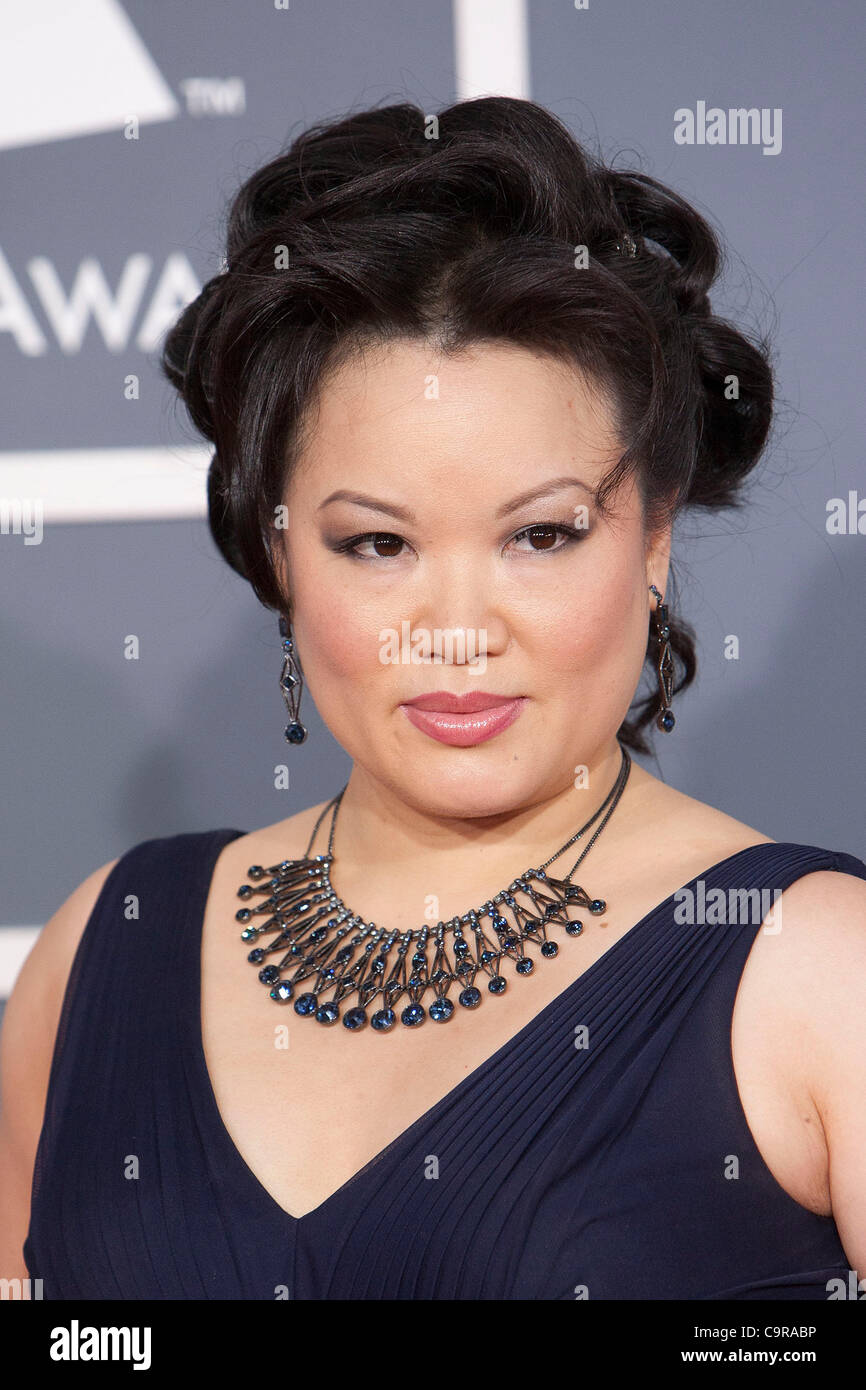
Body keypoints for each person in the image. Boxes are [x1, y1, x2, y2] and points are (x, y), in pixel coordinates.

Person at [2, 96, 865, 1301]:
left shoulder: (819, 971)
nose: (457, 629)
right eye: (376, 545)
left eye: (542, 535)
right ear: (280, 547)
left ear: (654, 538)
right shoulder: (110, 949)